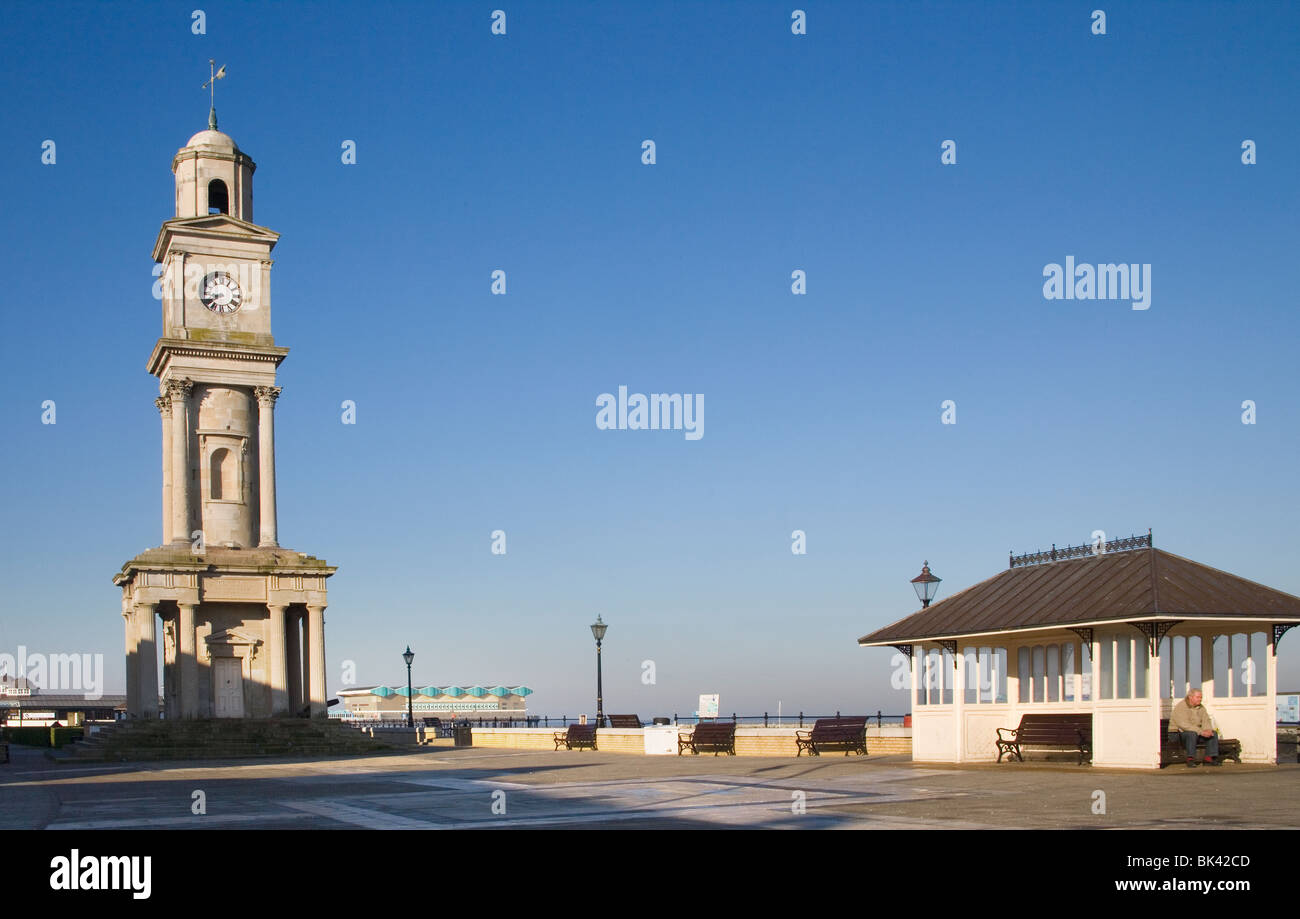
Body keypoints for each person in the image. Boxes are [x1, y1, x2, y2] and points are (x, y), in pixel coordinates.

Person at [1170, 689, 1220, 767]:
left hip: (1195, 732)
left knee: (1213, 733)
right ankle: (1190, 759)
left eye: (1201, 697)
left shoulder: (1201, 707)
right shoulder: (1181, 706)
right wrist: (1201, 732)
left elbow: (1205, 720)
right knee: (1191, 734)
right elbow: (1184, 725)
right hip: (1178, 733)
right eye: (1198, 697)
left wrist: (1208, 730)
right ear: (1190, 697)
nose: (1200, 699)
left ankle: (1209, 758)